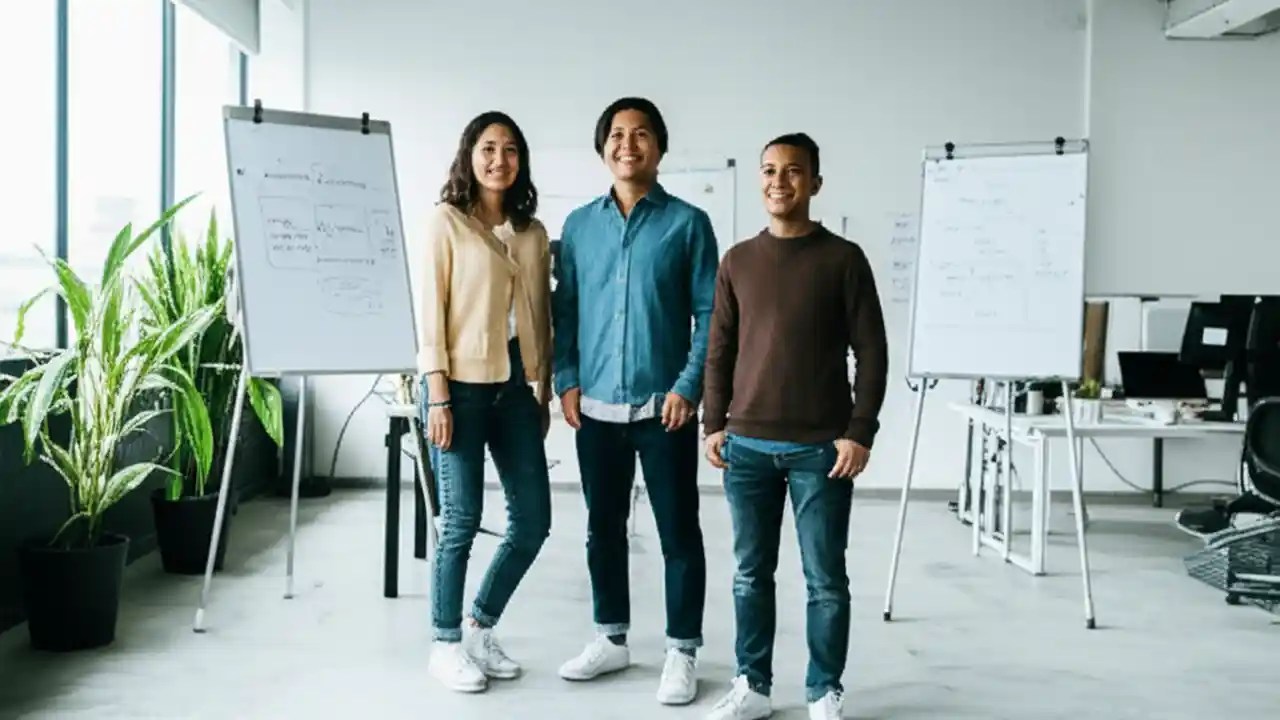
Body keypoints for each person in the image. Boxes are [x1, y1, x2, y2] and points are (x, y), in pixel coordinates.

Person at [700, 133, 889, 720]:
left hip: (821, 450)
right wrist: (713, 423)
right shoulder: (737, 261)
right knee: (750, 574)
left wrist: (860, 431)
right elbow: (719, 350)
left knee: (825, 578)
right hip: (746, 445)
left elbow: (873, 352)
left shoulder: (844, 259)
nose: (778, 181)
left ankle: (823, 691)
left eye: (792, 171)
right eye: (768, 170)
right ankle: (752, 686)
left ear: (815, 182)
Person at [551, 96, 719, 706]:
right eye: (617, 135)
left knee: (679, 533)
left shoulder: (688, 224)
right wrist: (566, 378)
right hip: (595, 409)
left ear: (659, 147)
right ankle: (610, 637)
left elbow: (710, 314)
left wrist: (688, 386)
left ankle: (682, 650)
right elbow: (565, 310)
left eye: (641, 133)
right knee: (603, 529)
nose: (628, 144)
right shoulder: (578, 226)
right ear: (603, 149)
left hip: (664, 409)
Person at [418, 110, 554, 693]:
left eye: (511, 149)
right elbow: (431, 313)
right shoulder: (446, 222)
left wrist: (542, 390)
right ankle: (444, 643)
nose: (500, 159)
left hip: (516, 389)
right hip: (459, 388)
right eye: (489, 148)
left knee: (533, 521)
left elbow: (542, 319)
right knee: (461, 521)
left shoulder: (533, 233)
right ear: (469, 155)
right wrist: (437, 396)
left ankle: (478, 627)